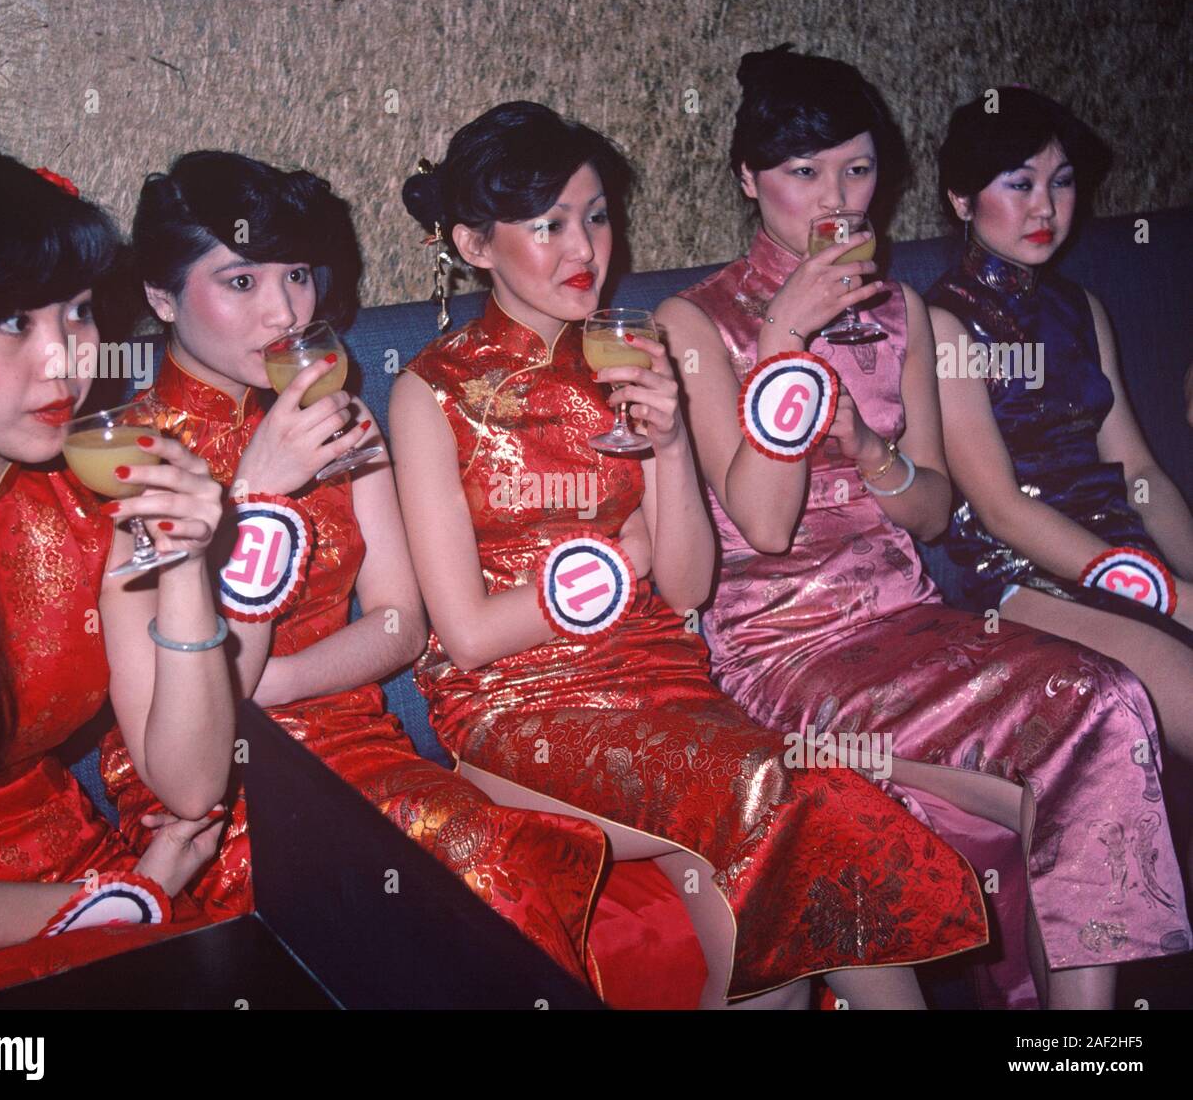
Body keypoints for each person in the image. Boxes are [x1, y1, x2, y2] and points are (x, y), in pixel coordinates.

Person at [391, 100, 989, 1009]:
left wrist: (670, 448)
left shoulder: (637, 351)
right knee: (794, 795)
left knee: (771, 957)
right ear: (475, 244)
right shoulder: (432, 390)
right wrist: (621, 554)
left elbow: (689, 584)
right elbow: (467, 637)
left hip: (670, 688)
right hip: (518, 710)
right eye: (546, 225)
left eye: (595, 216)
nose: (583, 247)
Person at [657, 47, 1190, 1009]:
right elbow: (766, 528)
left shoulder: (903, 308)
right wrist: (784, 337)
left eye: (858, 170)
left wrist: (870, 450)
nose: (838, 199)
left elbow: (936, 509)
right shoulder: (693, 324)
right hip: (784, 650)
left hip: (909, 619)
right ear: (748, 179)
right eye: (803, 172)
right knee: (1062, 778)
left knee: (1110, 701)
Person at [98, 151, 681, 997]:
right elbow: (183, 742)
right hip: (218, 790)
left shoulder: (344, 416)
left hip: (359, 745)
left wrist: (272, 679)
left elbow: (403, 625)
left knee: (497, 870)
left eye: (296, 275)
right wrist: (258, 493)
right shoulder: (136, 459)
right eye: (241, 282)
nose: (285, 310)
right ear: (160, 297)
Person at [0, 143, 232, 1008]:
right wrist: (121, 901)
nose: (67, 360)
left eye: (77, 312)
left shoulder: (85, 500)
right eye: (15, 321)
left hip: (83, 867)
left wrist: (183, 558)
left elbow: (190, 783)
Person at [925, 87, 1193, 791]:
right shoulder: (943, 326)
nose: (1046, 207)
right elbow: (1001, 508)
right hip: (1019, 576)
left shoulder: (1082, 309)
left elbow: (1139, 470)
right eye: (1020, 183)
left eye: (1062, 182)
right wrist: (1174, 596)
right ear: (960, 198)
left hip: (1122, 550)